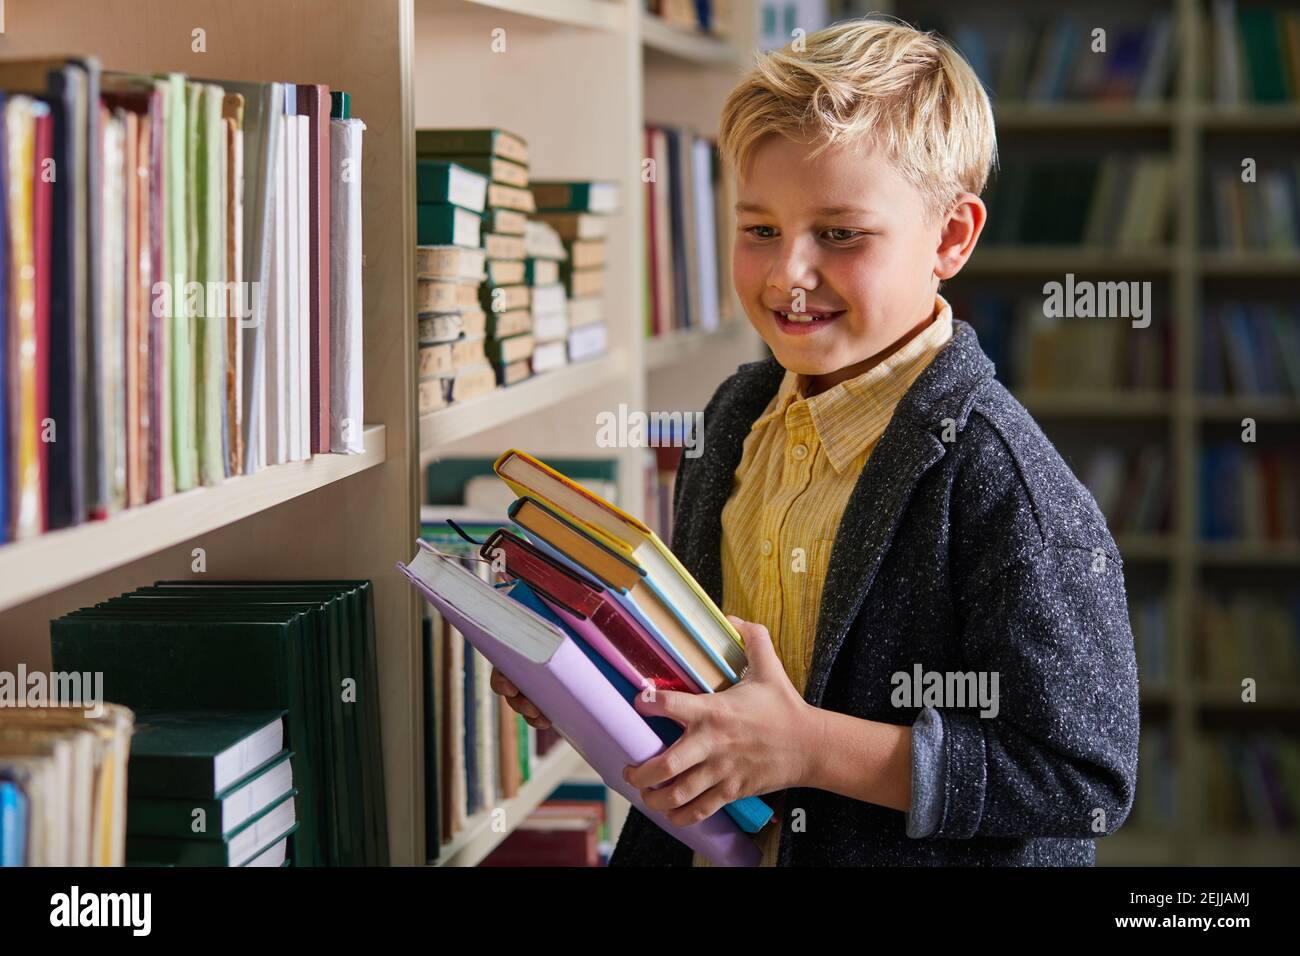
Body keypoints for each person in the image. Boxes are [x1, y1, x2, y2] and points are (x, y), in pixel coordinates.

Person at [491, 17, 1139, 866]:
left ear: (951, 238)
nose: (787, 275)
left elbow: (1081, 776)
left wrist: (810, 748)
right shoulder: (736, 417)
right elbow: (714, 685)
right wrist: (595, 686)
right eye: (760, 229)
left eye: (839, 234)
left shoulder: (1001, 480)